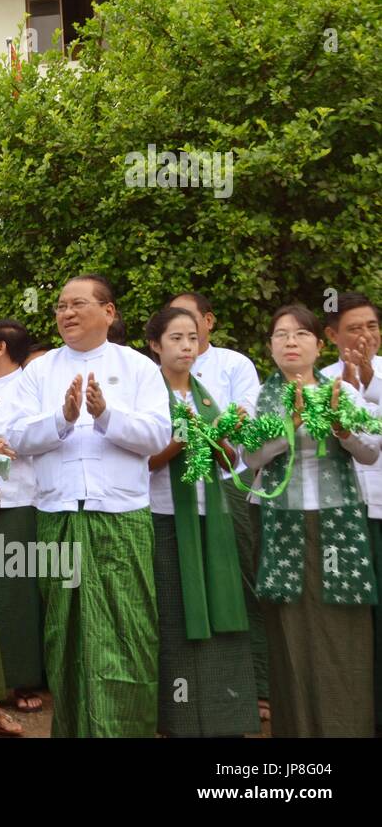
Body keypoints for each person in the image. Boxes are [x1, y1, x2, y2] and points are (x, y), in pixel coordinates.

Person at [5, 274, 171, 737]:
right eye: (60, 306)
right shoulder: (39, 371)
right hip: (58, 516)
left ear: (109, 312)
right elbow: (16, 436)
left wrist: (105, 416)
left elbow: (159, 435)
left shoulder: (138, 367)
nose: (66, 313)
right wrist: (62, 417)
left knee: (128, 632)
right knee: (65, 634)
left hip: (121, 516)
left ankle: (124, 728)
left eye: (78, 304)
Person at [242, 304, 378, 737]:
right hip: (281, 523)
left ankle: (346, 728)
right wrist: (289, 426)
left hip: (339, 523)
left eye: (300, 335)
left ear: (319, 346)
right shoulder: (257, 398)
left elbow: (371, 452)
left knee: (342, 629)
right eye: (280, 335)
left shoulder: (344, 392)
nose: (290, 342)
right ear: (270, 348)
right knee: (289, 631)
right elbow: (250, 457)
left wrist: (342, 430)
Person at [144, 307, 260, 737]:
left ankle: (222, 717)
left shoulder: (207, 395)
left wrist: (217, 441)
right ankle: (177, 719)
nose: (187, 347)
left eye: (192, 338)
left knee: (220, 611)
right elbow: (141, 462)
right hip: (164, 515)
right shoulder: (148, 392)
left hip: (211, 516)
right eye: (175, 338)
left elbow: (230, 462)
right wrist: (181, 442)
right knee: (174, 615)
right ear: (155, 345)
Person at [168, 290, 268, 717]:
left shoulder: (233, 363)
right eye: (176, 328)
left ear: (209, 321)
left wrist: (210, 433)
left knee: (240, 575)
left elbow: (244, 416)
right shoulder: (158, 372)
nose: (186, 339)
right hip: (174, 488)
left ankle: (258, 683)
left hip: (227, 479)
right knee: (184, 582)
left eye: (192, 324)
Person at [0, 319, 44, 714]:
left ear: (0, 348)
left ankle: (19, 679)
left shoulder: (27, 385)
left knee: (13, 593)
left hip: (15, 499)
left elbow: (17, 442)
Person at [320, 291, 382, 731]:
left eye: (372, 327)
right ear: (331, 335)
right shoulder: (318, 381)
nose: (366, 336)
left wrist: (370, 379)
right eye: (354, 329)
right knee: (350, 619)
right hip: (341, 516)